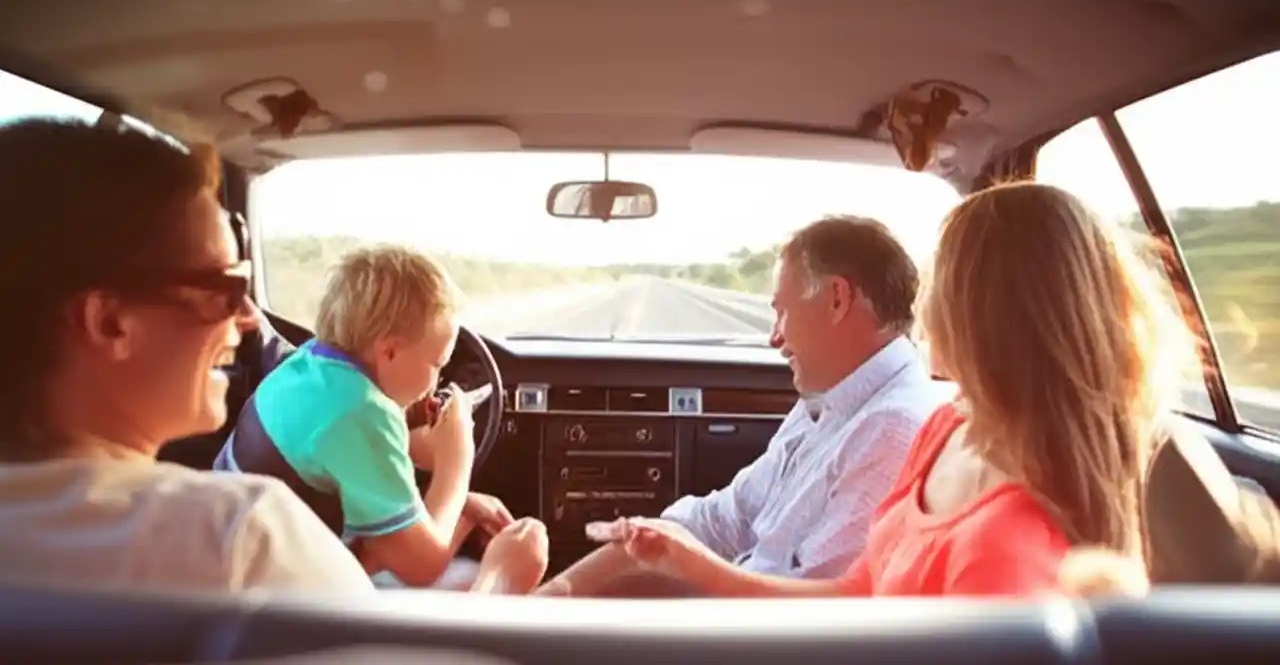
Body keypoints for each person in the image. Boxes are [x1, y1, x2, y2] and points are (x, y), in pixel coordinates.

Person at [0, 118, 547, 595]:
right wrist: (500, 575)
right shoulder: (245, 536)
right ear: (110, 323)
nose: (246, 318)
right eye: (224, 288)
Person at [583, 183, 1192, 597]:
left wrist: (696, 573)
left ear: (983, 312)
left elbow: (846, 631)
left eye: (939, 280)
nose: (922, 304)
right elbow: (857, 594)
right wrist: (686, 559)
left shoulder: (1002, 544)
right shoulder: (947, 430)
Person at [541, 216, 946, 596]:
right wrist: (556, 596)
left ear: (837, 299)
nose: (774, 338)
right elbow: (727, 517)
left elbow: (816, 621)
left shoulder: (891, 430)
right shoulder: (831, 397)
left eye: (782, 312)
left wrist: (689, 567)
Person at [215, 245, 510, 589]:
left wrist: (460, 501)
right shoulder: (362, 411)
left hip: (239, 553)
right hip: (275, 592)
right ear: (389, 352)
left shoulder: (313, 365)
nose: (438, 381)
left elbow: (362, 453)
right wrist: (457, 458)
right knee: (485, 570)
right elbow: (423, 566)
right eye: (438, 364)